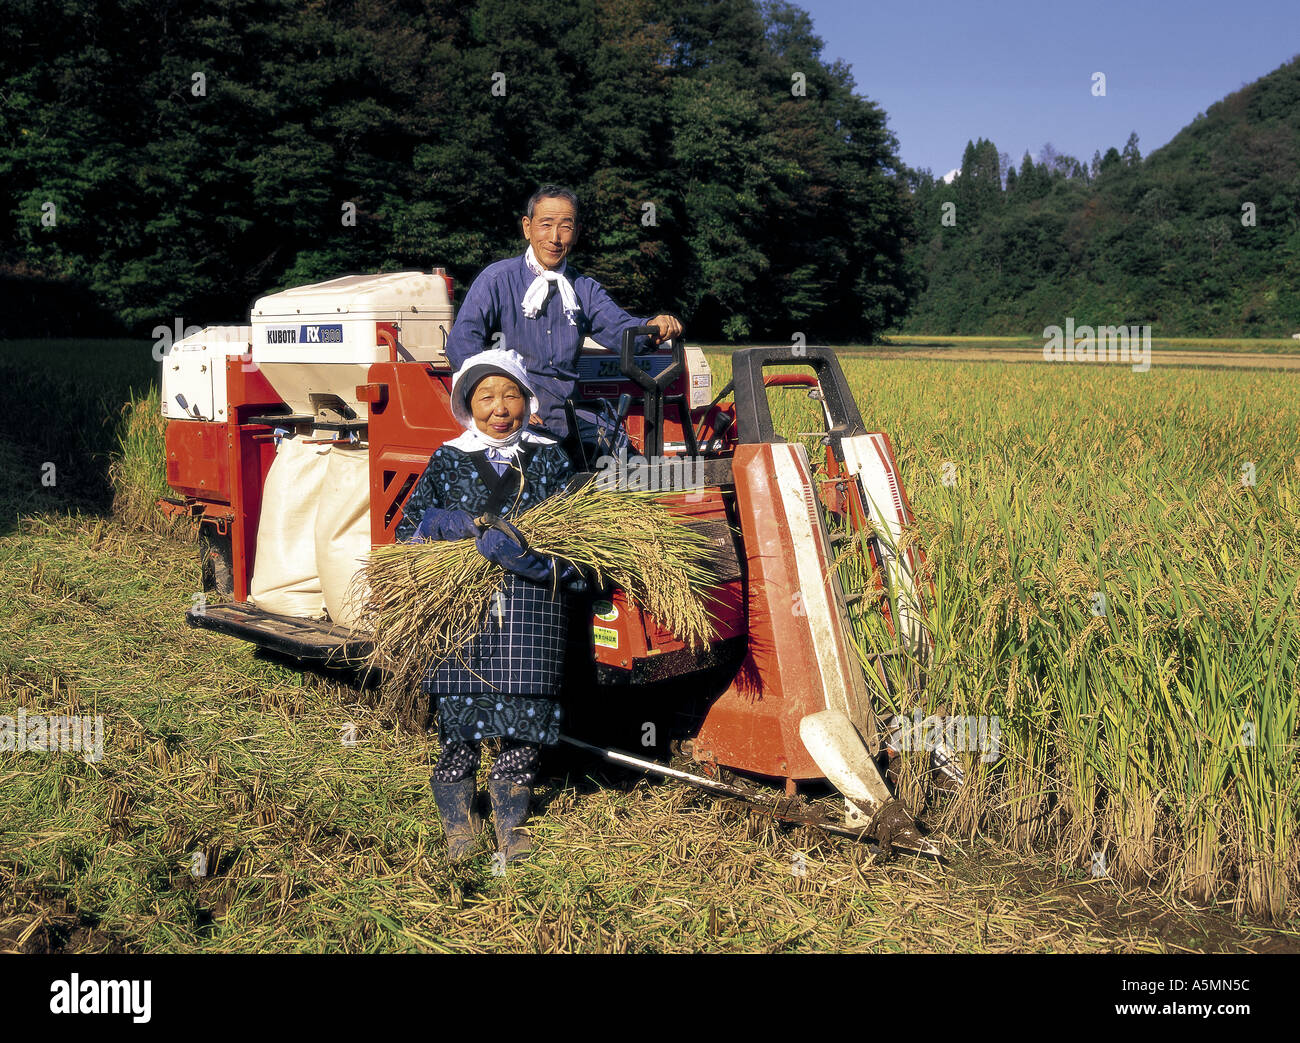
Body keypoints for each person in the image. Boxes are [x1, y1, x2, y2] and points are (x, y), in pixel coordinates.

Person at [396, 348, 578, 864]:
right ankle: (459, 825)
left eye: (511, 395)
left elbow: (581, 550)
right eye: (487, 397)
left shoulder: (550, 459)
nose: (501, 408)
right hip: (462, 614)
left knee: (524, 725)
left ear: (527, 399)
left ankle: (512, 825)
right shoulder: (448, 459)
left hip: (532, 612)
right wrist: (448, 526)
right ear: (466, 404)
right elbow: (409, 531)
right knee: (459, 725)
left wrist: (533, 563)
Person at [445, 184, 685, 438]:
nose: (555, 238)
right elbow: (461, 344)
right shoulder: (496, 280)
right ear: (527, 227)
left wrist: (654, 327)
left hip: (569, 411)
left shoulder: (584, 289)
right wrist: (506, 402)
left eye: (566, 227)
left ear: (577, 232)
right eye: (546, 225)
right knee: (540, 461)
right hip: (513, 417)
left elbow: (621, 329)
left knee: (621, 455)